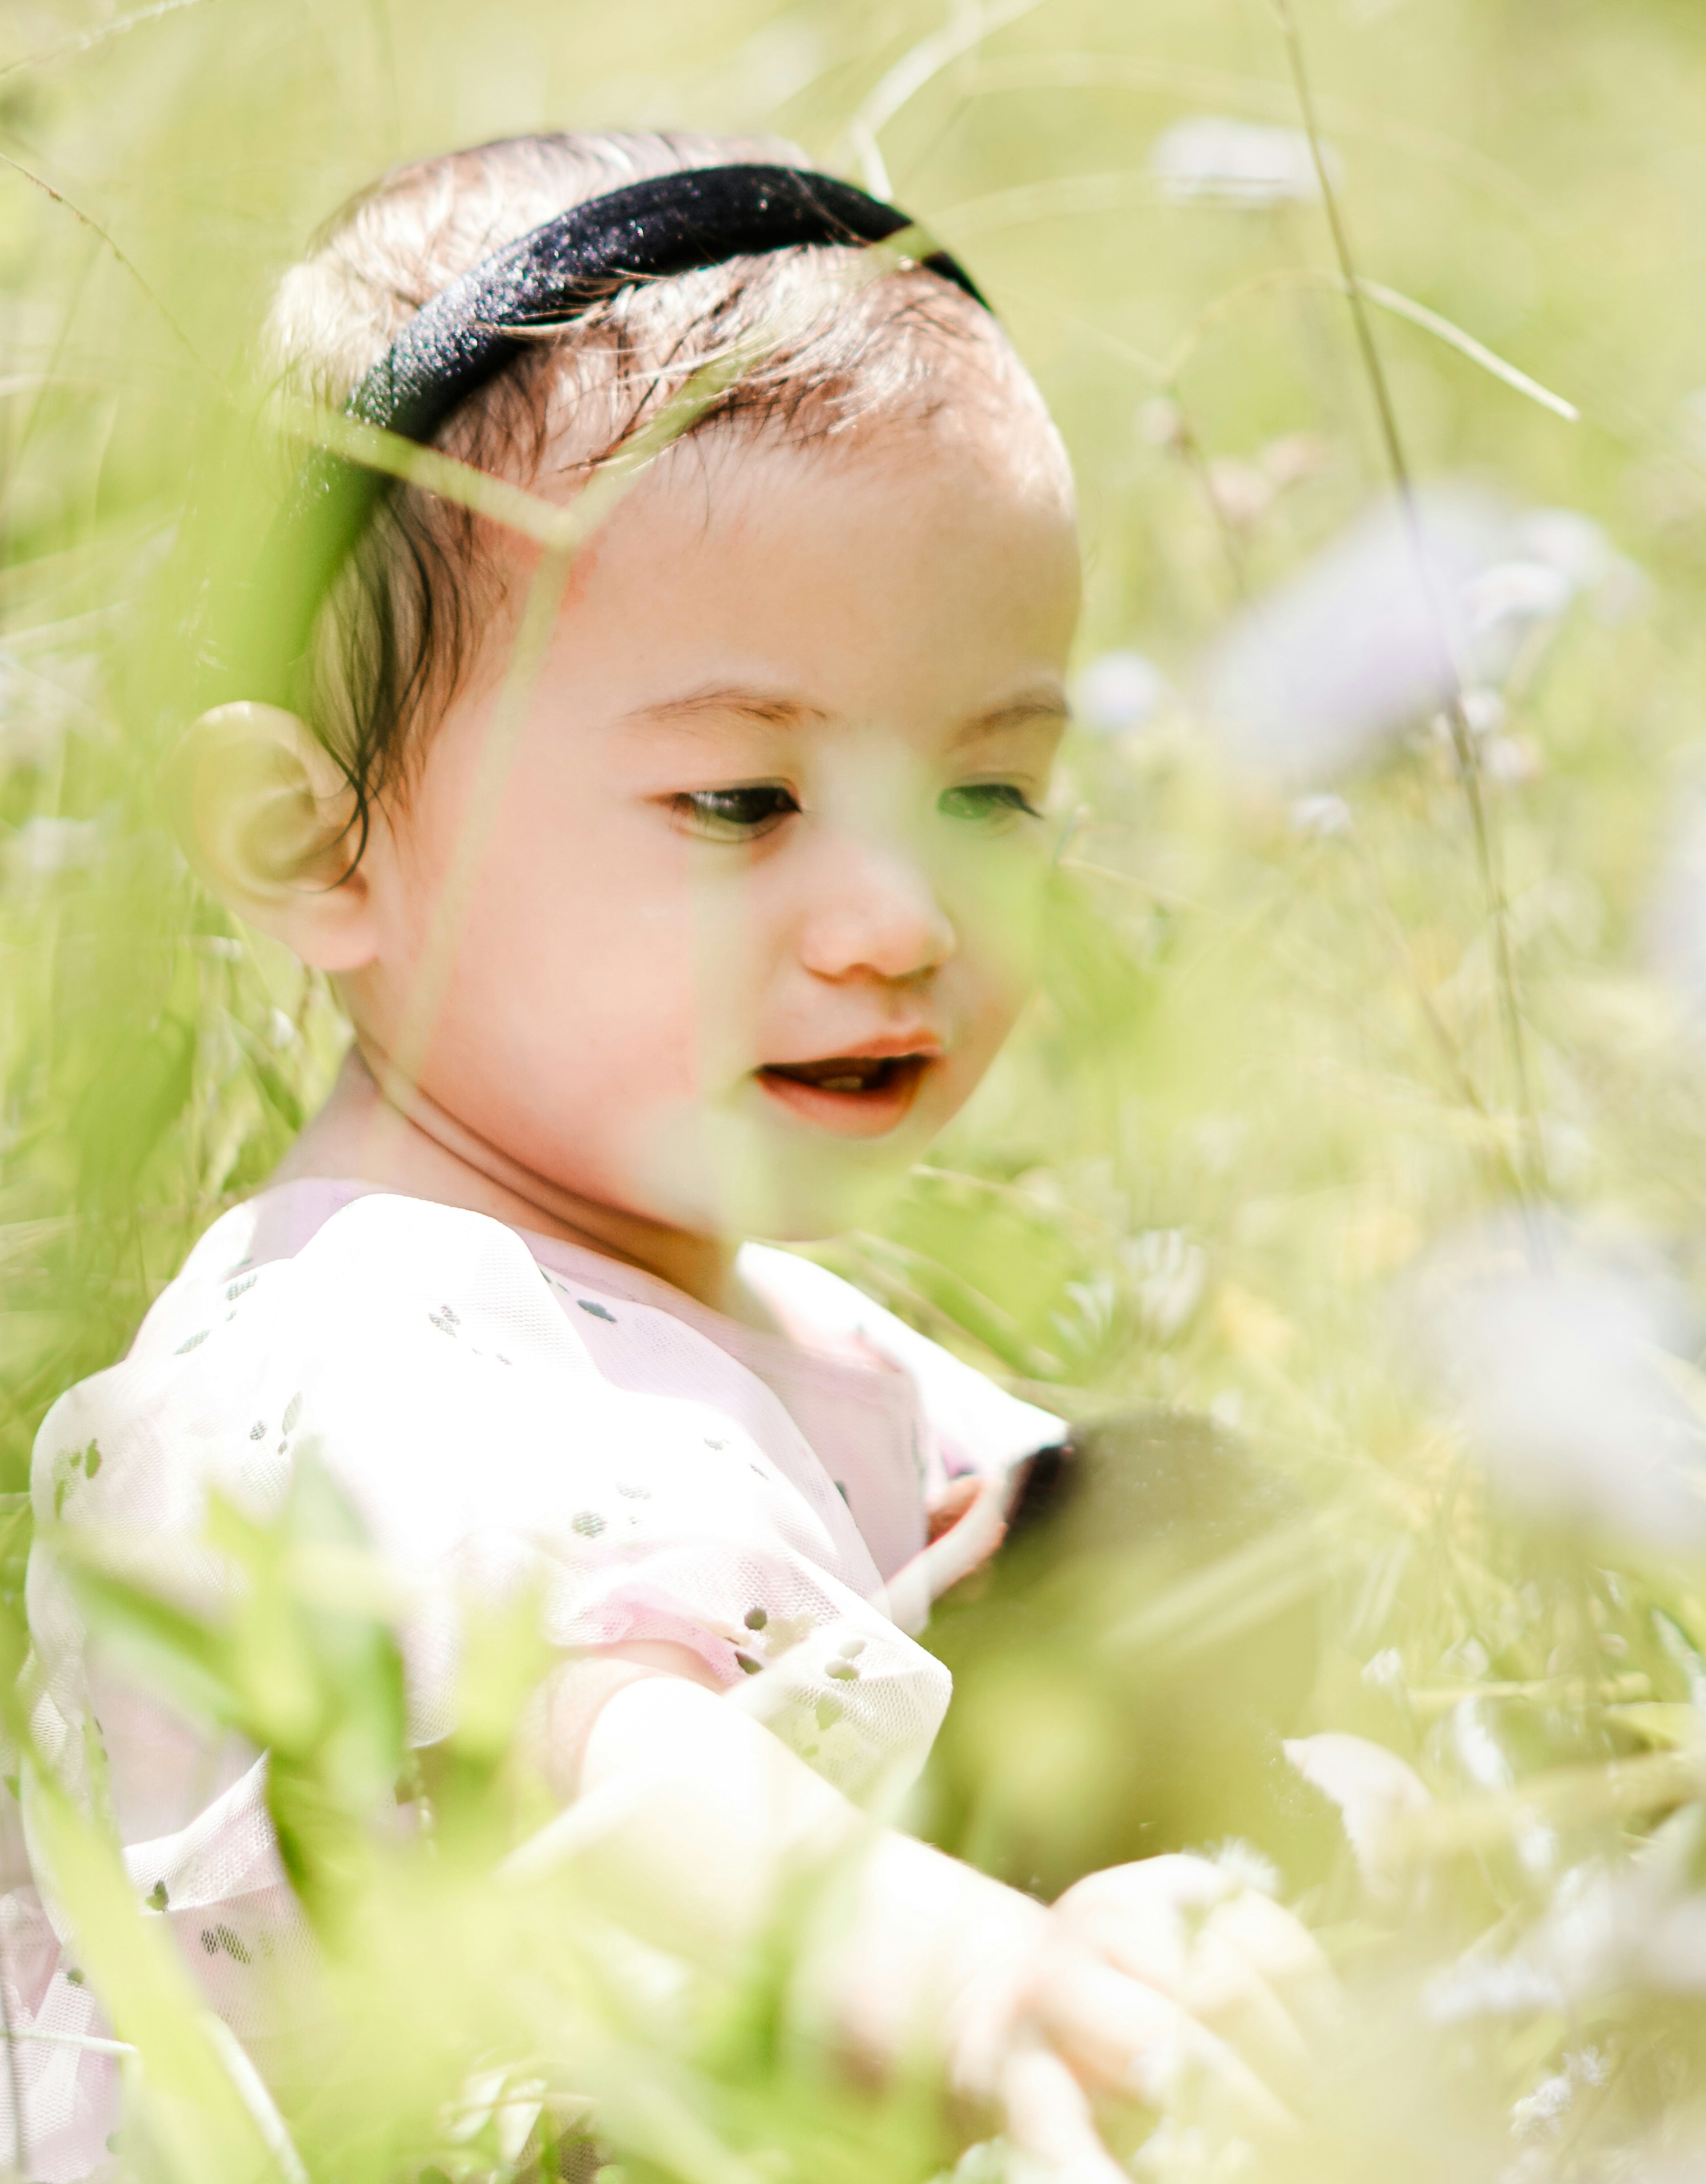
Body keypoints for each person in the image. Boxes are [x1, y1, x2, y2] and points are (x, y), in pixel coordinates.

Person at [11, 130, 1318, 2182]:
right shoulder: (356, 1362)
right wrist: (988, 1987)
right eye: (741, 804)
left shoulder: (785, 1337)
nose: (899, 920)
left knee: (1172, 1522)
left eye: (990, 797)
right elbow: (623, 1772)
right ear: (313, 842)